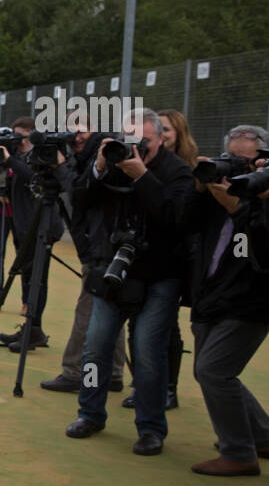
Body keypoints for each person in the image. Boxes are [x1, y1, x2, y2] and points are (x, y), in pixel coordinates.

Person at [65, 108, 194, 456]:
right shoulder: (114, 162)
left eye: (145, 142)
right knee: (96, 346)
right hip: (113, 269)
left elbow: (175, 219)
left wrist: (141, 176)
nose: (136, 148)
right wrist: (100, 166)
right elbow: (80, 200)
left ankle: (151, 428)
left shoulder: (177, 172)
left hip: (159, 275)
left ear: (161, 138)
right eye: (129, 141)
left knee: (149, 352)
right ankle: (89, 413)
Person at [183, 125, 269, 476]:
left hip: (251, 299)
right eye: (231, 159)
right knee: (213, 373)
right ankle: (264, 436)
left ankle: (240, 453)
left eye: (247, 162)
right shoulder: (217, 190)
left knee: (214, 371)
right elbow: (183, 223)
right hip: (211, 293)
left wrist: (236, 204)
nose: (237, 169)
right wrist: (201, 189)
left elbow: (268, 251)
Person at [41, 113, 127, 393]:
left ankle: (75, 372)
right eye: (71, 132)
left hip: (102, 248)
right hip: (98, 245)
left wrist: (60, 166)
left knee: (87, 309)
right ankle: (113, 373)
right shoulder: (84, 156)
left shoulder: (103, 156)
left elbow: (79, 193)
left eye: (82, 132)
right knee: (109, 309)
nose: (75, 137)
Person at [122, 107, 197, 411]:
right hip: (137, 260)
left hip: (171, 260)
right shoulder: (131, 158)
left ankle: (166, 387)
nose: (159, 136)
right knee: (137, 325)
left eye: (166, 131)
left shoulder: (184, 169)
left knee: (164, 329)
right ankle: (143, 383)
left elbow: (175, 215)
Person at [0, 116, 72, 353]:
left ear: (32, 136)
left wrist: (9, 160)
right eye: (15, 137)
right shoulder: (19, 158)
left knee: (38, 278)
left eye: (22, 137)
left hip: (42, 228)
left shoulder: (40, 156)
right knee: (28, 277)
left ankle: (34, 329)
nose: (18, 142)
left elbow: (33, 177)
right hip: (23, 227)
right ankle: (30, 327)